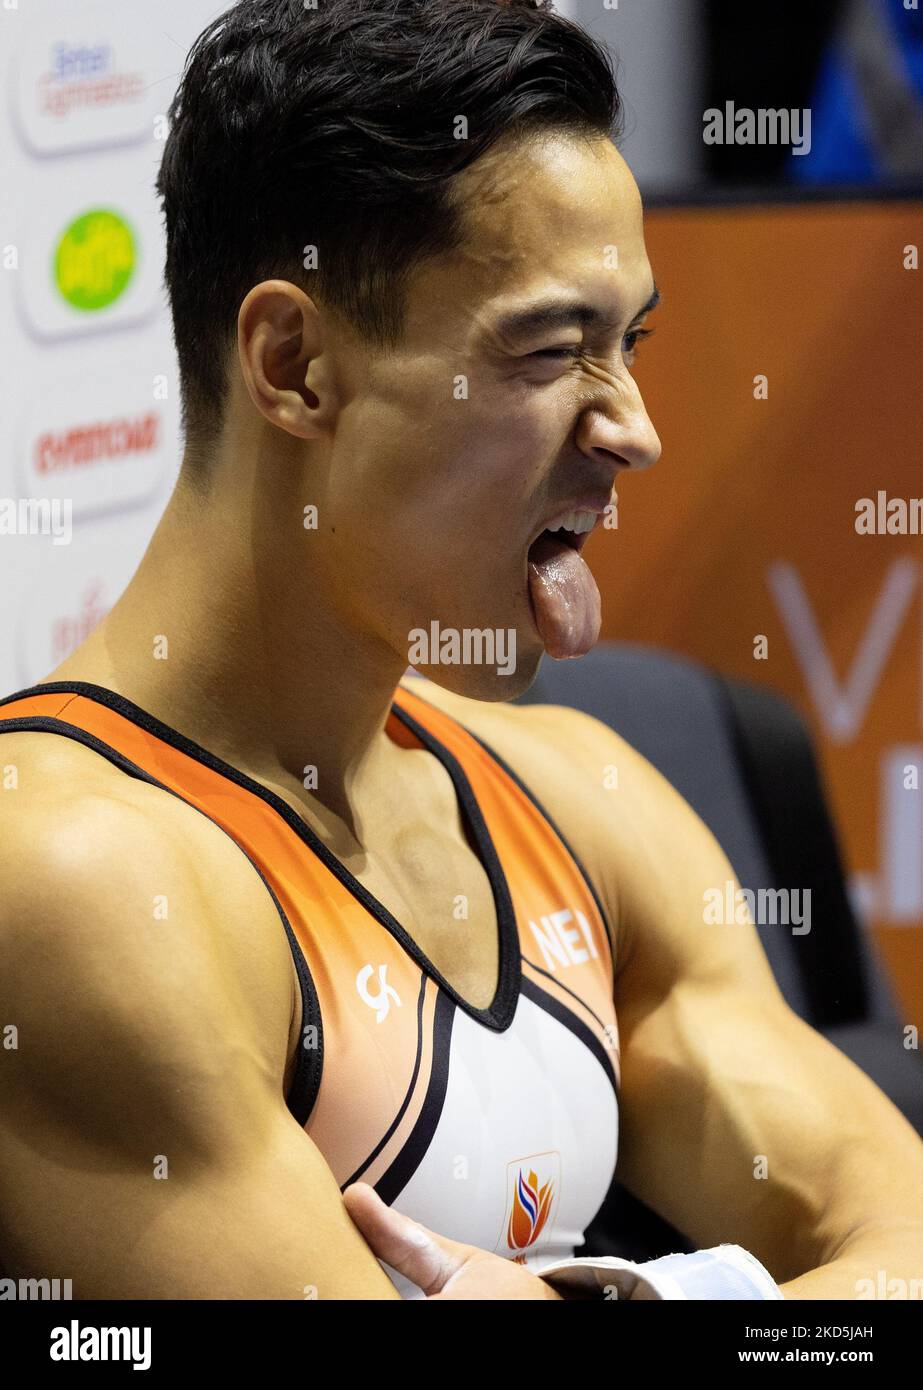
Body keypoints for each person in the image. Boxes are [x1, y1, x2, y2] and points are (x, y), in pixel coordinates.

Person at [1, 0, 921, 1301]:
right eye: (555, 351)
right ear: (294, 365)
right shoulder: (66, 878)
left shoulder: (582, 793)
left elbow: (907, 1234)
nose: (636, 429)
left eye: (633, 343)